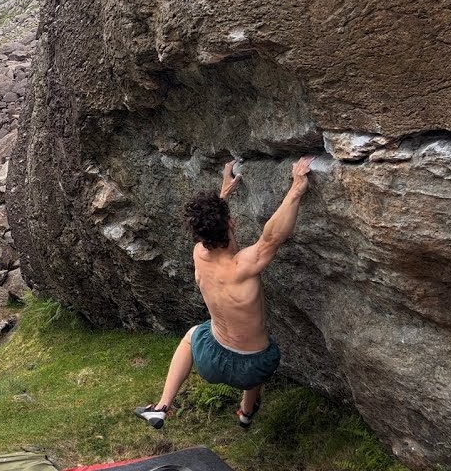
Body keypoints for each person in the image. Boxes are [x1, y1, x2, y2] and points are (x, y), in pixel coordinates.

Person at [135, 155, 316, 430]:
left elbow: (209, 228)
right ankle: (246, 410)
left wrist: (224, 192)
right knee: (259, 350)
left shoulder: (199, 255)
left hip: (210, 361)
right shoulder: (243, 265)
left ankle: (162, 407)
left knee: (193, 334)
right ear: (231, 223)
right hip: (255, 367)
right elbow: (272, 237)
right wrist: (297, 187)